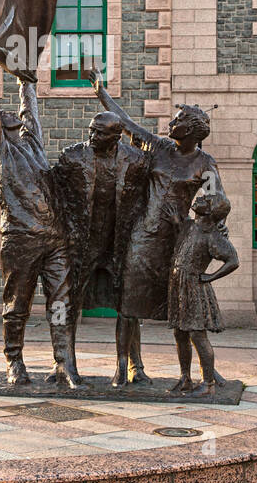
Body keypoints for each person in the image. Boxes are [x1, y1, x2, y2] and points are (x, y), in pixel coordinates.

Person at [85, 66, 223, 387]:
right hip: (141, 238)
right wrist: (101, 92)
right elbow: (127, 123)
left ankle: (201, 372)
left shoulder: (205, 163)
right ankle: (127, 366)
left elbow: (219, 201)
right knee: (128, 306)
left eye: (177, 121)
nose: (170, 124)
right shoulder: (159, 148)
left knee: (185, 310)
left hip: (175, 244)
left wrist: (210, 226)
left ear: (191, 130)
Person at [0, 44, 81, 387]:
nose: (11, 118)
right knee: (17, 304)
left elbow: (31, 111)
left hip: (54, 237)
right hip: (20, 237)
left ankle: (63, 363)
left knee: (60, 303)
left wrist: (26, 82)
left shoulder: (32, 143)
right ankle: (13, 360)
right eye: (4, 119)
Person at [52, 110, 148, 386]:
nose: (92, 136)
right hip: (81, 245)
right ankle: (64, 363)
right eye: (91, 130)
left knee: (127, 306)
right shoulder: (72, 157)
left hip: (119, 243)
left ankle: (130, 366)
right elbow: (53, 197)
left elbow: (148, 199)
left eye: (99, 132)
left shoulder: (137, 160)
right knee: (68, 303)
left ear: (116, 137)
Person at [167, 193, 239, 397]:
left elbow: (233, 260)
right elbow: (182, 237)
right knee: (179, 333)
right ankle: (185, 378)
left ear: (210, 210)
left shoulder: (213, 235)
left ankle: (208, 383)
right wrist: (175, 224)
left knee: (197, 335)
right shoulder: (190, 225)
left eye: (205, 200)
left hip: (193, 288)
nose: (199, 198)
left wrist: (210, 277)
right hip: (178, 286)